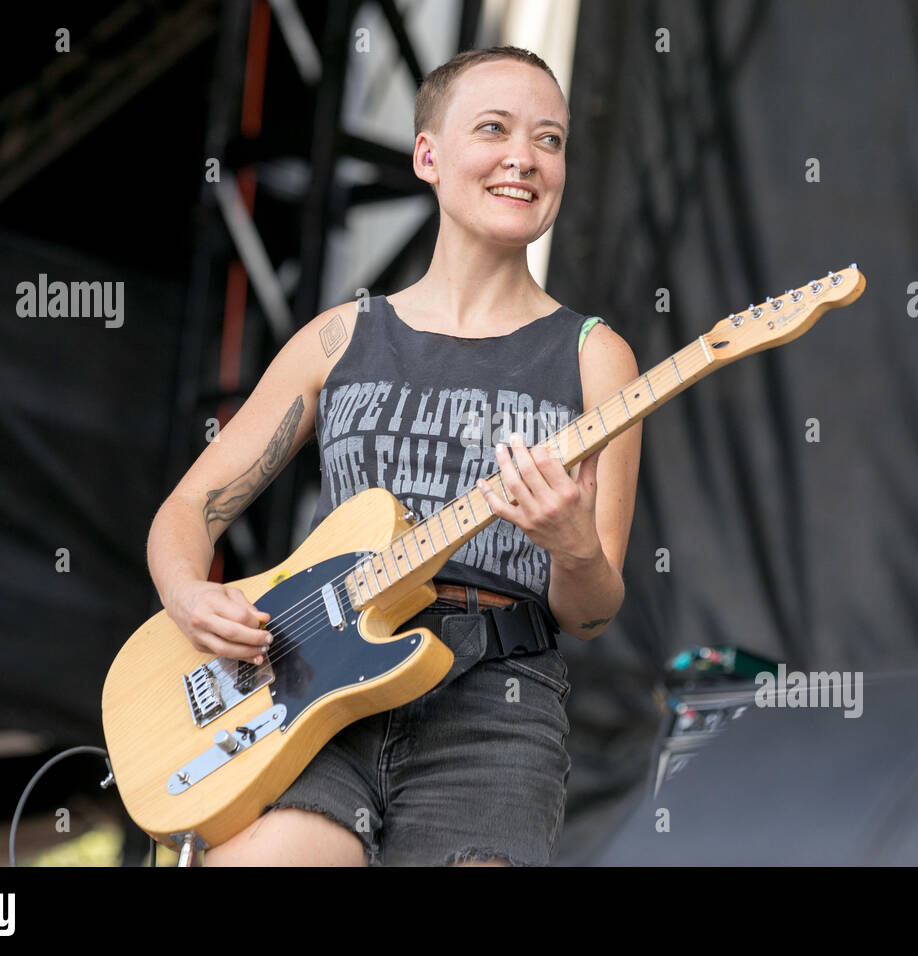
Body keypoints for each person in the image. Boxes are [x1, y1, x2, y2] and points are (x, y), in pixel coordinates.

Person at [146, 45, 641, 865]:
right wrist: (186, 595)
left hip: (494, 713)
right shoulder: (339, 338)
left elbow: (590, 612)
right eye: (494, 129)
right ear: (427, 155)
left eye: (550, 140)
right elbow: (189, 509)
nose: (525, 156)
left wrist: (572, 543)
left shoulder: (597, 357)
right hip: (310, 695)